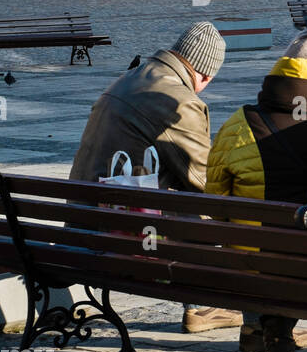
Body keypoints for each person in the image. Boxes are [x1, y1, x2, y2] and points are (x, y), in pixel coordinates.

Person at [70, 22, 242, 335]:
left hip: (83, 219)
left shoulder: (133, 76)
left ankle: (202, 304)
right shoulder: (178, 99)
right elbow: (205, 180)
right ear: (205, 74)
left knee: (173, 193)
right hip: (116, 227)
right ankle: (204, 305)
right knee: (206, 206)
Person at [206, 13, 307, 352]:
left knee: (260, 244)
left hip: (251, 262)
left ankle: (272, 332)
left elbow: (215, 197)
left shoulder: (240, 121)